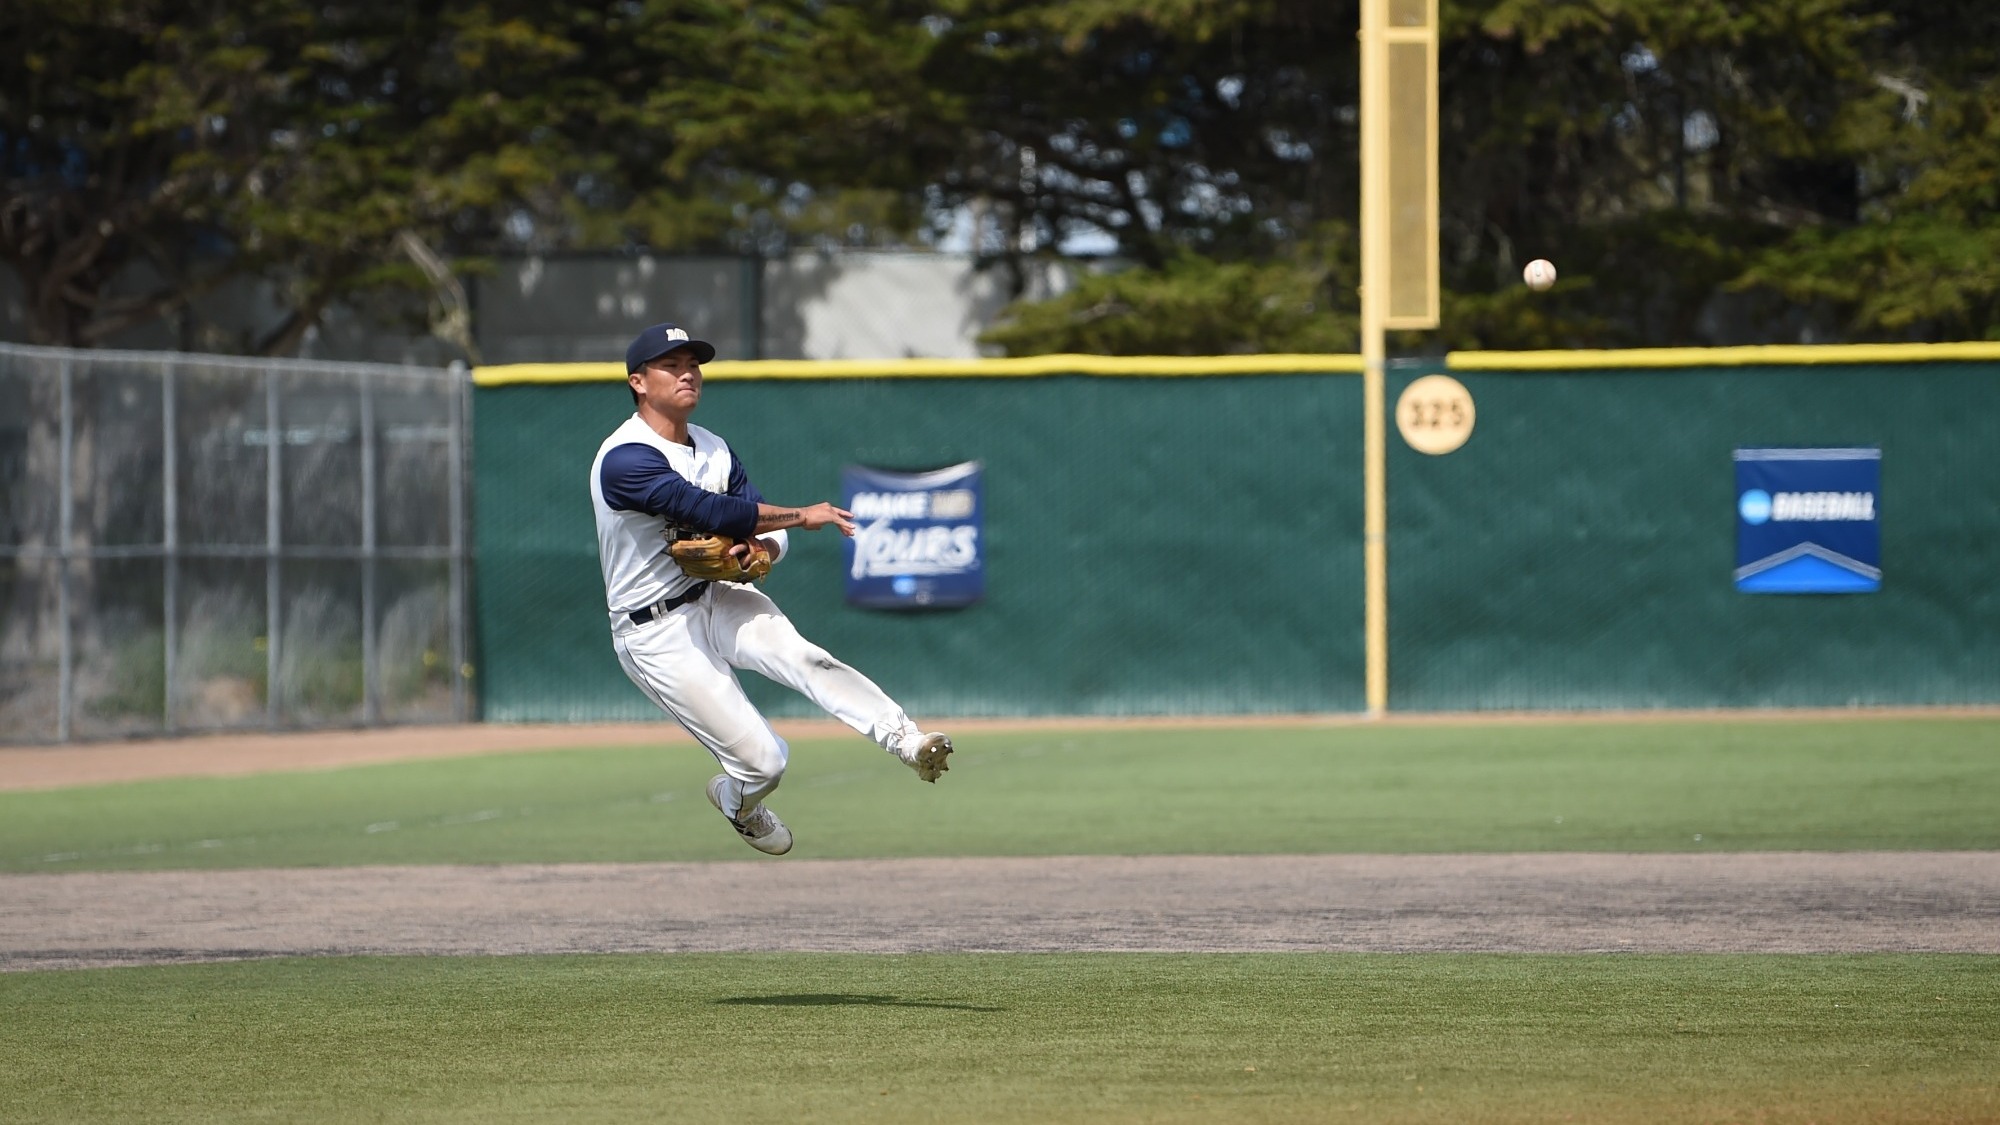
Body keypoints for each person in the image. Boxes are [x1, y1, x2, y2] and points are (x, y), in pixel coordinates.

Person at [589, 322, 954, 855]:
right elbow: (711, 510)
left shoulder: (714, 450)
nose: (687, 372)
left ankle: (907, 740)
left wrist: (760, 551)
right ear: (638, 382)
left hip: (716, 596)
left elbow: (763, 529)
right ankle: (739, 801)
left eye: (693, 363)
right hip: (655, 630)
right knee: (766, 762)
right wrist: (803, 515)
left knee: (807, 659)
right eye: (671, 365)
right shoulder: (624, 458)